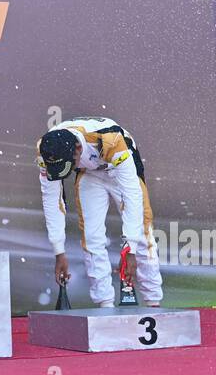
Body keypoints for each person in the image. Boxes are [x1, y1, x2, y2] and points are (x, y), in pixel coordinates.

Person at [37, 117, 163, 307]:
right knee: (92, 236)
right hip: (90, 174)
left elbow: (132, 196)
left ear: (78, 150)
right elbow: (52, 199)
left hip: (119, 168)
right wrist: (58, 251)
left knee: (143, 236)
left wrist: (130, 249)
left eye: (67, 166)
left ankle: (153, 301)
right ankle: (104, 304)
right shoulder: (46, 149)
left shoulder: (110, 139)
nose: (63, 172)